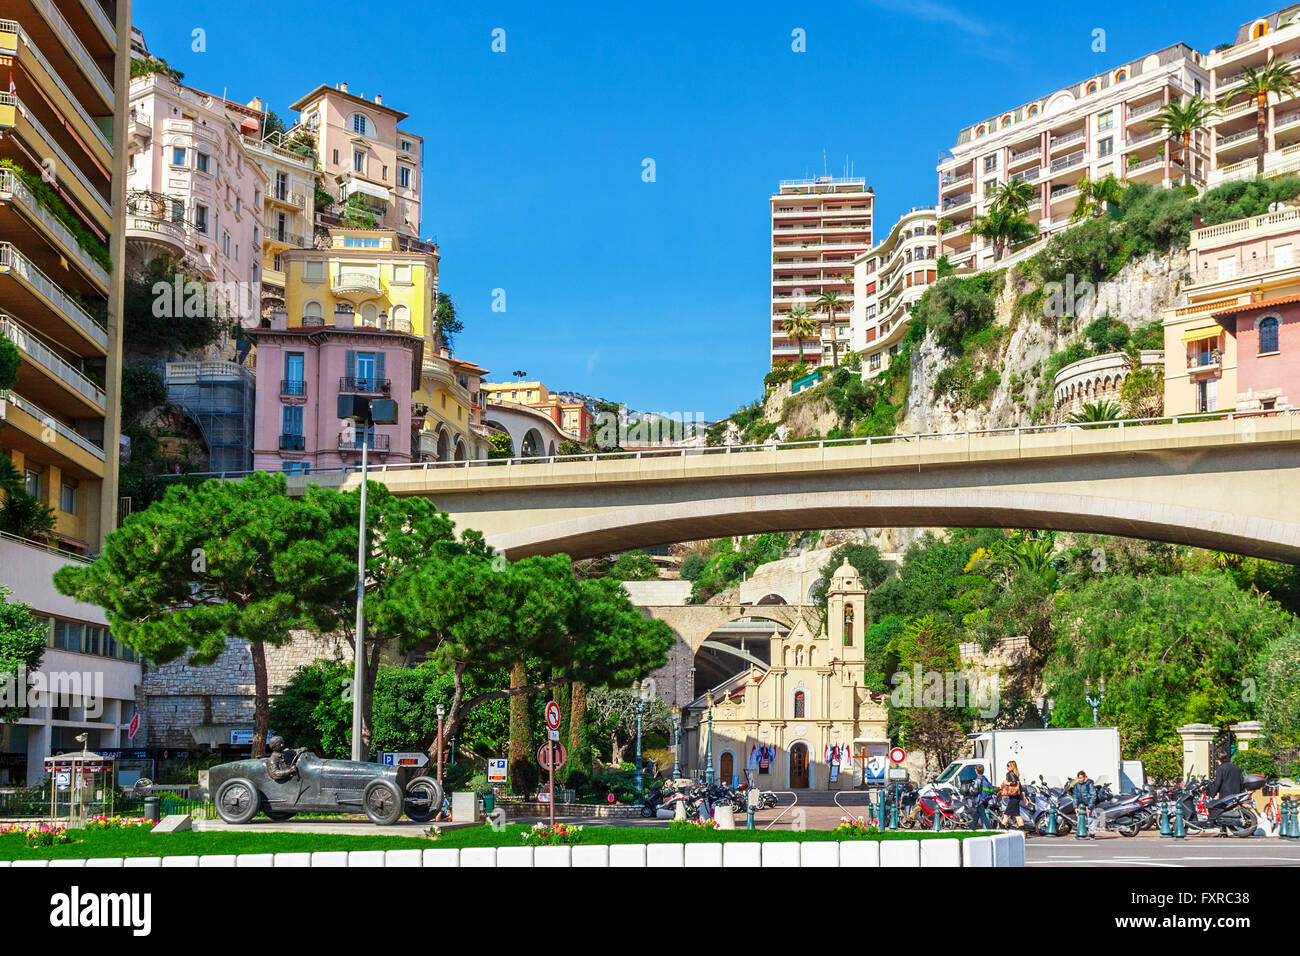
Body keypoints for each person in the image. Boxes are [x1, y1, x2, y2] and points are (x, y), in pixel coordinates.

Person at [1206, 751, 1245, 837]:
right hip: (1236, 794)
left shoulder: (1221, 769)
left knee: (1221, 811)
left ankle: (1223, 831)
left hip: (1225, 794)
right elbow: (1242, 780)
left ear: (1219, 760)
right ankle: (1224, 831)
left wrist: (1213, 794)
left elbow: (1217, 783)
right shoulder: (1236, 767)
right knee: (1226, 812)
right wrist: (1242, 792)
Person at [1073, 770, 1098, 839]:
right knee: (1079, 819)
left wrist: (1089, 807)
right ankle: (1080, 833)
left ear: (1084, 777)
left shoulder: (1089, 784)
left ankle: (1092, 835)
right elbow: (1075, 796)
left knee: (1090, 819)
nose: (1080, 779)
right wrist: (1075, 807)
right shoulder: (1077, 785)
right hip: (1081, 805)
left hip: (1089, 804)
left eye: (1081, 778)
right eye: (1079, 778)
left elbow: (1093, 795)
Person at [1000, 760, 1022, 830]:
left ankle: (1002, 828)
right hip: (1016, 796)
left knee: (1007, 814)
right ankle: (1022, 829)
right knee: (1017, 815)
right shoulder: (1016, 774)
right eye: (1007, 765)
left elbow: (1014, 783)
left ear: (1012, 766)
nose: (1007, 767)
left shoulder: (1010, 773)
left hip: (1013, 797)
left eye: (1008, 766)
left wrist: (1007, 783)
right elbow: (1019, 786)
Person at [972, 763, 994, 829]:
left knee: (983, 817)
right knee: (976, 816)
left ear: (976, 771)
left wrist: (971, 789)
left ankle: (990, 829)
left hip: (980, 800)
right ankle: (970, 829)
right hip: (985, 799)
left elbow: (975, 791)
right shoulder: (985, 779)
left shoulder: (978, 779)